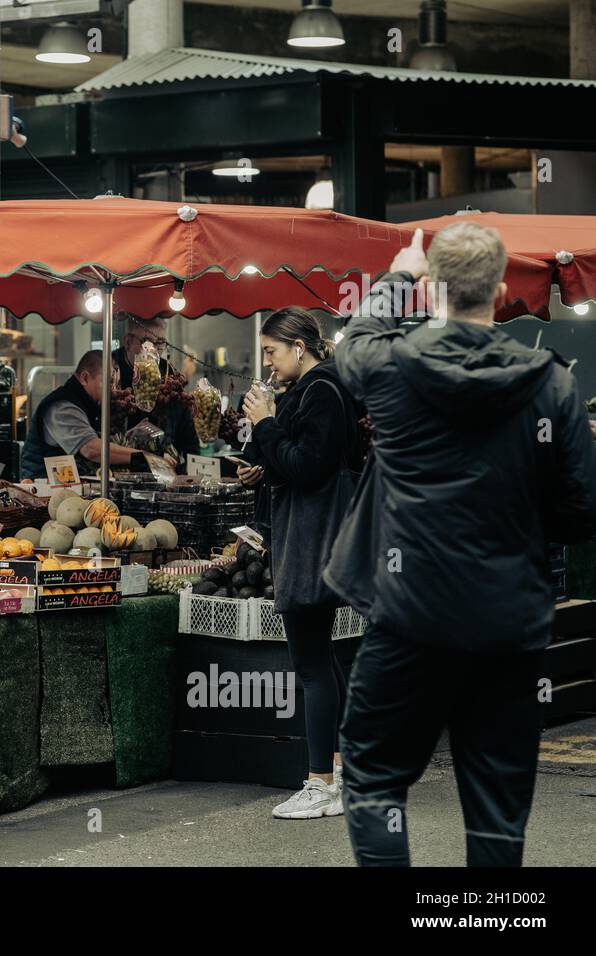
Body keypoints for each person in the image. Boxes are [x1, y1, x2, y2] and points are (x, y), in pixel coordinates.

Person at [326, 224, 596, 866]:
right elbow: (583, 508)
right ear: (502, 292)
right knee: (498, 809)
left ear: (431, 289)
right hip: (510, 620)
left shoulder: (390, 364)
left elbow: (353, 340)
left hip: (407, 616)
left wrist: (399, 276)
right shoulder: (551, 385)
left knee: (374, 782)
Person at [238, 307, 364, 820]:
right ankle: (334, 771)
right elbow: (296, 460)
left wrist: (266, 423)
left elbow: (309, 467)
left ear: (298, 347)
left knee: (311, 664)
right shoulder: (318, 391)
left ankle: (320, 783)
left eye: (271, 350)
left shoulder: (321, 392)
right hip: (318, 539)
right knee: (324, 661)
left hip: (312, 541)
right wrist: (263, 468)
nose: (267, 361)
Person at [20, 350, 140, 479]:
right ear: (85, 378)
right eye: (108, 382)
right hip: (41, 488)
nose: (112, 389)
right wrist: (143, 457)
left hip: (67, 486)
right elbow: (91, 449)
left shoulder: (88, 404)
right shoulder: (62, 408)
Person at [113, 312, 201, 468]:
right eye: (146, 342)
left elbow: (188, 439)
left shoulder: (170, 377)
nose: (152, 350)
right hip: (117, 470)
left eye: (159, 343)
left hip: (166, 473)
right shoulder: (109, 371)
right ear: (127, 342)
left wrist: (191, 469)